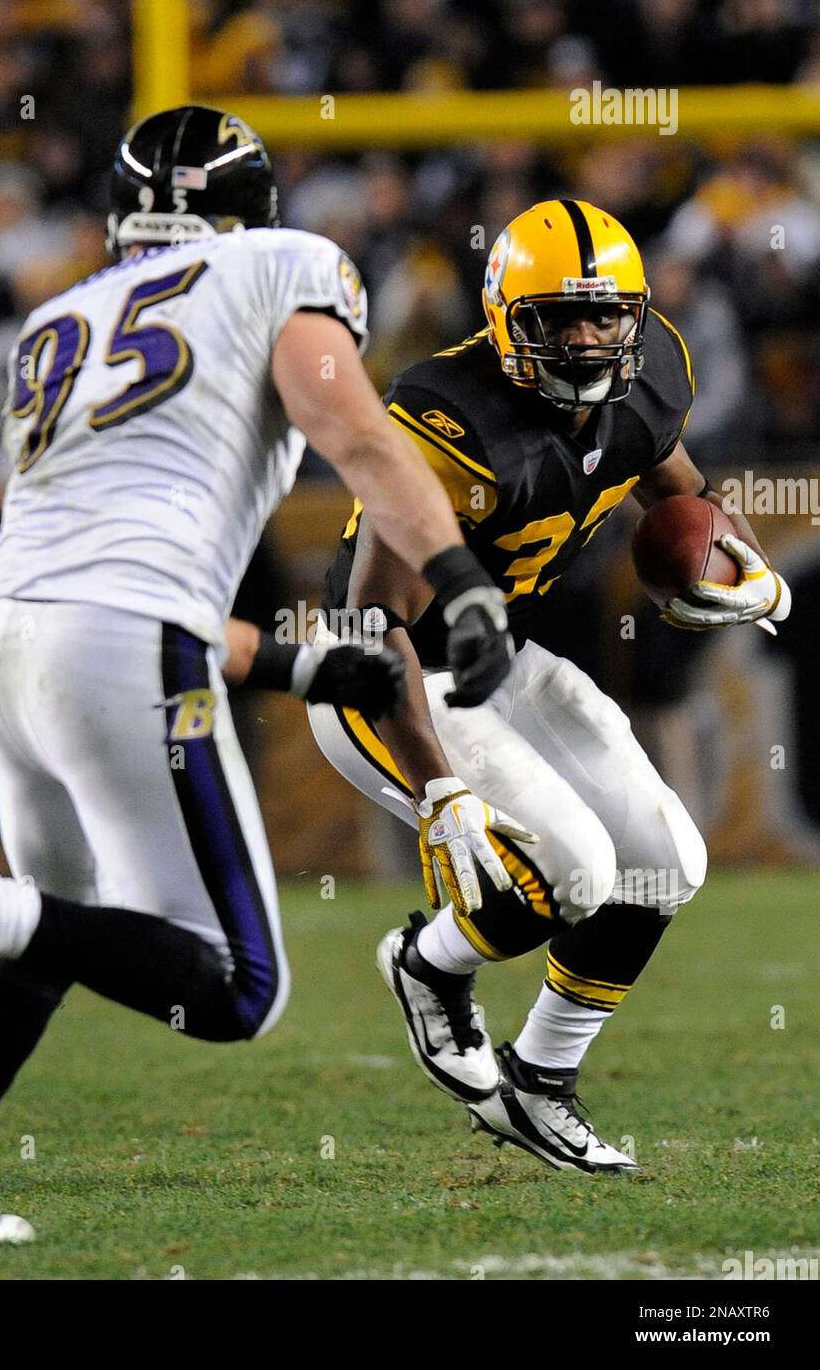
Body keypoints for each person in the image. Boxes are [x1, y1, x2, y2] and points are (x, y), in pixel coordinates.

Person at [0, 106, 520, 1248]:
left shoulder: (59, 318)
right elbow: (353, 435)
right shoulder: (281, 264)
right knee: (236, 989)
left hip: (9, 643)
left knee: (46, 933)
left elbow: (113, 556)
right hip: (121, 640)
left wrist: (301, 662)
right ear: (251, 208)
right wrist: (456, 575)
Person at [309, 198, 791, 1172]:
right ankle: (426, 962)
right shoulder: (447, 417)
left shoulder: (651, 366)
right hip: (386, 677)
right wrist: (440, 789)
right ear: (503, 320)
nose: (582, 338)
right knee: (572, 868)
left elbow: (675, 487)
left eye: (601, 315)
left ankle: (539, 1081)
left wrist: (729, 555)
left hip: (501, 657)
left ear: (634, 314)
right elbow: (376, 620)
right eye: (554, 318)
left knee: (663, 859)